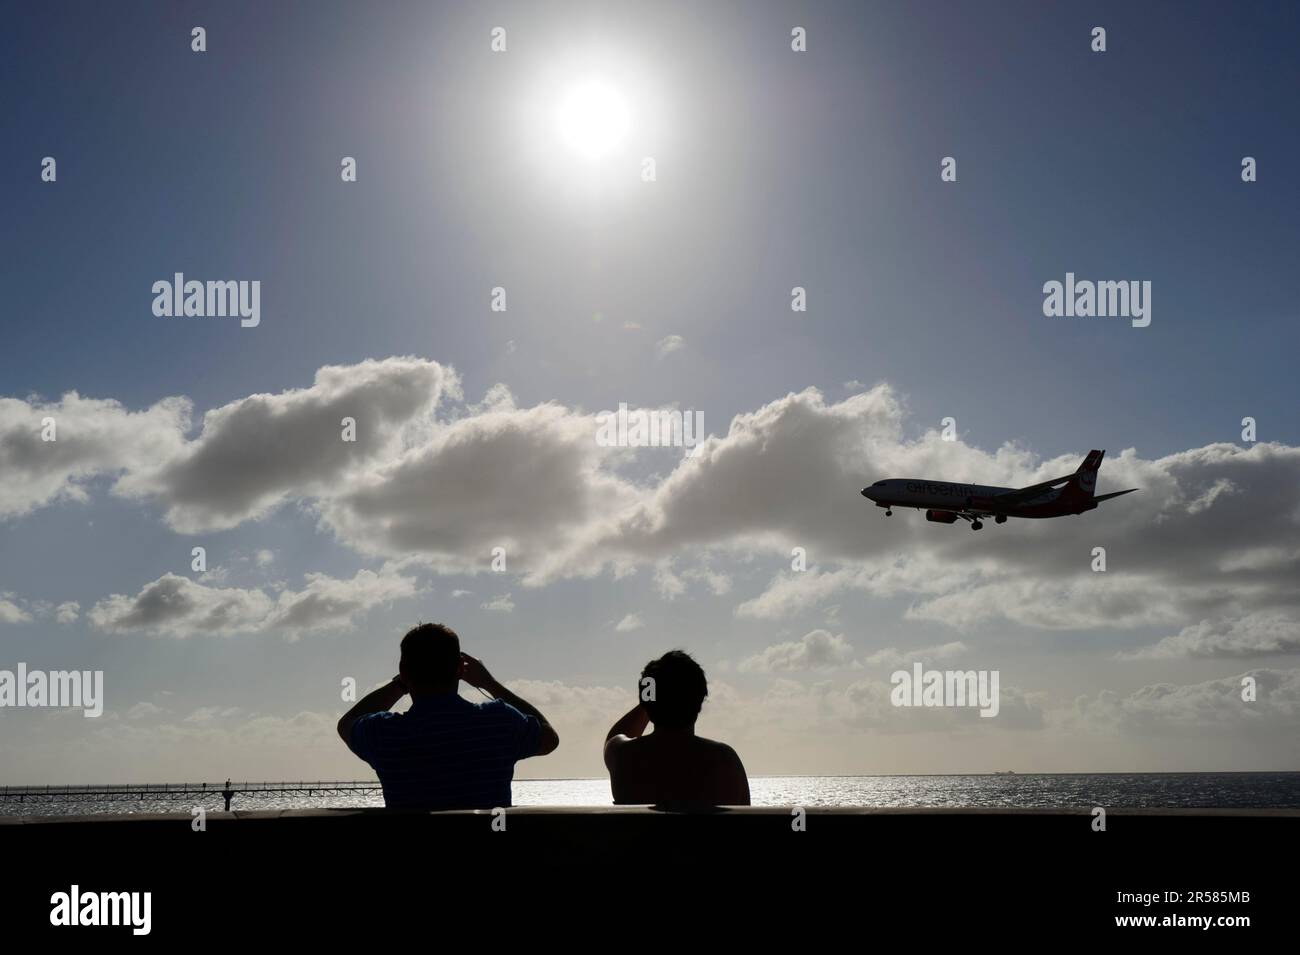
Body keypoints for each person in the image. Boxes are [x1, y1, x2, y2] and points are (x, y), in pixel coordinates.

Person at [337, 622, 559, 809]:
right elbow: (549, 738)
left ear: (404, 671)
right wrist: (489, 683)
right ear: (460, 670)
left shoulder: (383, 734)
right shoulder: (500, 722)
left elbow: (347, 723)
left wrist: (400, 684)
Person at [604, 649, 750, 806]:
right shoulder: (725, 761)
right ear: (700, 699)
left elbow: (617, 735)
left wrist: (649, 699)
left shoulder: (622, 756)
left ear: (648, 699)